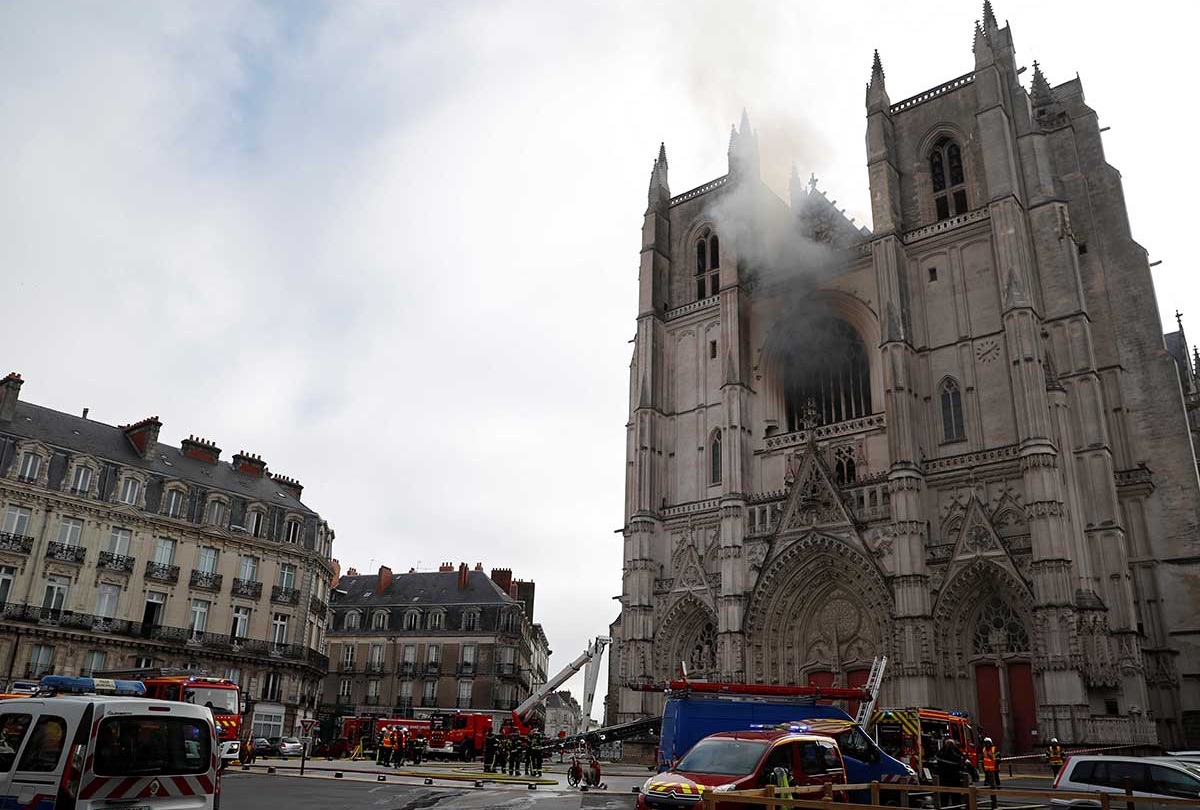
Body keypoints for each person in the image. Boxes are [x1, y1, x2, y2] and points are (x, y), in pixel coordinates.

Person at [934, 738, 966, 810]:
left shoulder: (941, 753)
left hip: (945, 778)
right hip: (953, 778)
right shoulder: (955, 753)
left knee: (945, 796)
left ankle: (945, 807)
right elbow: (962, 760)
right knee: (954, 797)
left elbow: (937, 761)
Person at [980, 736, 1000, 808]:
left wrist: (996, 764)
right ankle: (987, 785)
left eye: (988, 743)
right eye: (986, 743)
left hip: (994, 767)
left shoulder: (994, 749)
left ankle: (998, 786)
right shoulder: (984, 749)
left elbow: (998, 757)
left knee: (996, 777)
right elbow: (983, 758)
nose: (987, 744)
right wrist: (983, 766)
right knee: (987, 777)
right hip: (987, 767)